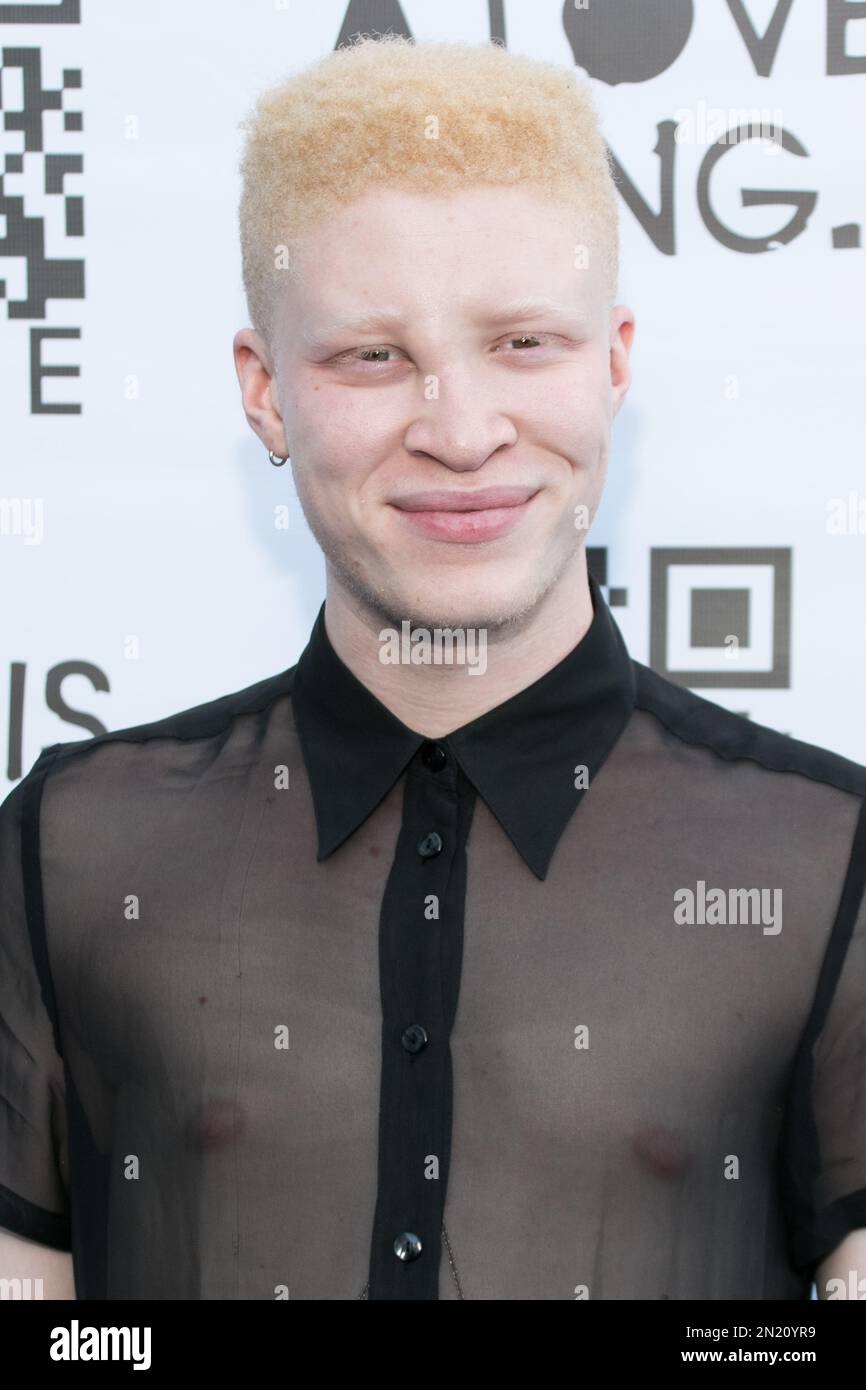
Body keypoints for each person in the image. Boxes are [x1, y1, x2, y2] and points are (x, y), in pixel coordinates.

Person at [1, 34, 864, 1301]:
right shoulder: (69, 848)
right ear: (265, 392)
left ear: (613, 359)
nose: (460, 432)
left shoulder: (826, 863)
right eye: (371, 356)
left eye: (523, 344)